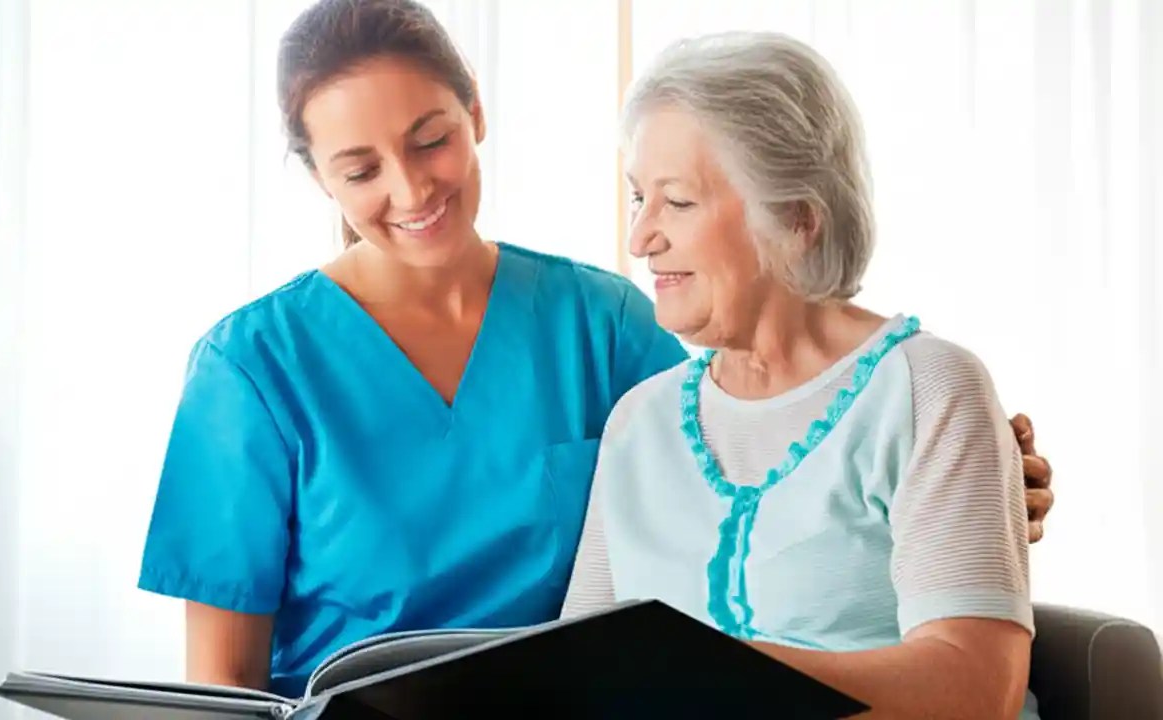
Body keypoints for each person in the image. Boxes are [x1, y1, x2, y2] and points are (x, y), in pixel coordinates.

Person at [136, 0, 1055, 698]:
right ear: (315, 176)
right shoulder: (251, 368)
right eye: (360, 169)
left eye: (432, 140)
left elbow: (785, 419)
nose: (411, 187)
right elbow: (222, 688)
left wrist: (971, 478)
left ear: (476, 114)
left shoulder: (607, 326)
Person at [560, 30, 1044, 719]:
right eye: (639, 198)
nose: (641, 238)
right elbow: (574, 676)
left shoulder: (930, 389)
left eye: (679, 201)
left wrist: (698, 673)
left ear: (796, 218)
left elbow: (975, 690)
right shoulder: (640, 421)